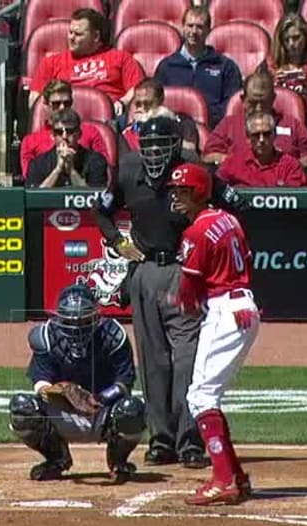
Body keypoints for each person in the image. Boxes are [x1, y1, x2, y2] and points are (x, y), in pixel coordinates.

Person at [92, 114, 210, 469]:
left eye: (161, 146)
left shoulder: (193, 168)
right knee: (153, 359)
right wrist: (117, 241)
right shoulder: (128, 169)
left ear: (176, 145)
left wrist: (202, 245)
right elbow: (101, 209)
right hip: (144, 270)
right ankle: (161, 440)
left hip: (183, 268)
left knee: (187, 358)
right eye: (148, 146)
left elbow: (229, 204)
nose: (155, 153)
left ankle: (190, 440)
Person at [165, 162, 261, 506]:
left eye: (183, 191)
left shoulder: (196, 232)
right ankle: (233, 474)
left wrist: (181, 303)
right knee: (207, 396)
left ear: (200, 191)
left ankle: (223, 479)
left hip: (224, 311)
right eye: (175, 190)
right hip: (243, 306)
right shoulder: (228, 219)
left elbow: (189, 289)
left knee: (201, 397)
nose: (176, 196)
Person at [9, 282, 146, 482]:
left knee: (132, 409)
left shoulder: (113, 336)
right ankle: (57, 459)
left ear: (95, 317)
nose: (76, 327)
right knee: (22, 408)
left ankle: (118, 461)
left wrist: (97, 399)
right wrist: (61, 394)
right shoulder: (47, 337)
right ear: (60, 318)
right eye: (71, 322)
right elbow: (40, 382)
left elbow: (125, 382)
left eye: (83, 322)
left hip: (103, 411)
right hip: (63, 412)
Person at [27, 8, 143, 112]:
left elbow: (138, 89)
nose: (71, 38)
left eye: (78, 34)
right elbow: (34, 98)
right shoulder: (51, 62)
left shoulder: (121, 58)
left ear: (96, 36)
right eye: (70, 32)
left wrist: (122, 103)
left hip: (109, 118)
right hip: (65, 120)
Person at [204, 71, 307, 169]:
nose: (259, 108)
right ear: (243, 99)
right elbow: (208, 156)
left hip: (281, 186)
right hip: (240, 185)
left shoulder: (291, 124)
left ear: (273, 99)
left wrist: (290, 166)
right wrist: (235, 163)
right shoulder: (228, 125)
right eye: (253, 103)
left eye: (264, 102)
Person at [155, 5, 242, 128]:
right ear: (183, 28)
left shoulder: (225, 66)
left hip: (213, 128)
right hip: (173, 130)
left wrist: (208, 117)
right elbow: (156, 101)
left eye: (199, 27)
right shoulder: (166, 66)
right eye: (190, 26)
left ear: (208, 30)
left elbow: (231, 104)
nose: (194, 32)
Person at [260, 14, 307, 126]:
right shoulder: (269, 66)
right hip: (274, 121)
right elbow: (257, 98)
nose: (291, 44)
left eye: (296, 38)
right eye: (286, 40)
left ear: (305, 37)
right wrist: (274, 86)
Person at [217, 110, 307, 187]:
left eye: (266, 134)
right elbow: (218, 189)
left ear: (274, 135)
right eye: (256, 135)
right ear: (248, 138)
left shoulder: (290, 165)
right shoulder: (233, 162)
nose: (261, 139)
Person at [27, 108, 108, 188]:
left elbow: (94, 197)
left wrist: (71, 171)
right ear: (52, 136)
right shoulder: (38, 163)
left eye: (70, 131)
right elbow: (35, 197)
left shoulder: (96, 161)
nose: (64, 136)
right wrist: (57, 170)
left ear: (79, 134)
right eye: (59, 132)